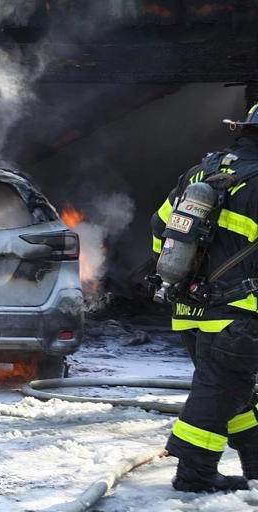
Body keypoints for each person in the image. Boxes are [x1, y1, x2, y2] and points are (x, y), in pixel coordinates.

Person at [150, 104, 258, 492]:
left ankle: (255, 462)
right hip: (237, 311)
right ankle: (194, 474)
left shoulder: (202, 172)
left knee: (233, 388)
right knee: (220, 388)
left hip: (189, 307)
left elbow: (159, 228)